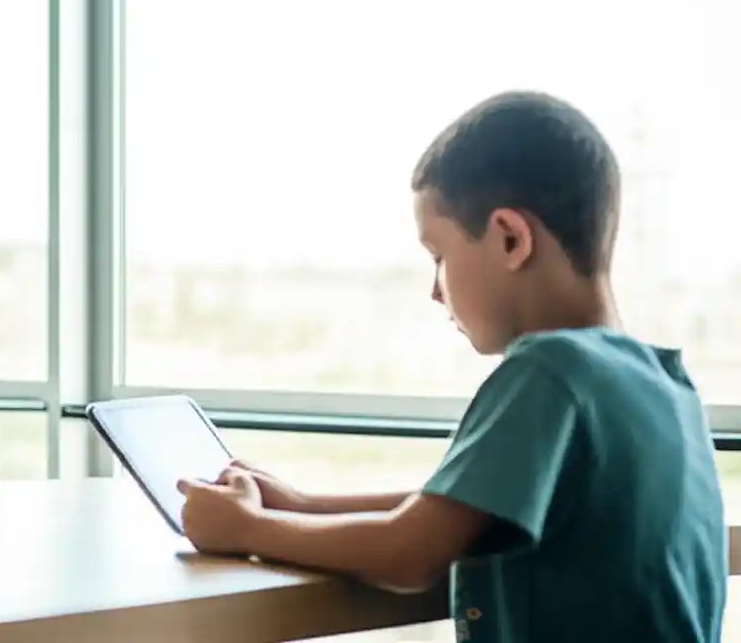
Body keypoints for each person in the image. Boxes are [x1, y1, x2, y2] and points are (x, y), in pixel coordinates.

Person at [178, 91, 726, 641]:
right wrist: (304, 505)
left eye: (439, 256)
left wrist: (248, 528)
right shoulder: (662, 385)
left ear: (510, 238)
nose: (436, 291)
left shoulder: (549, 372)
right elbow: (460, 511)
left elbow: (410, 552)